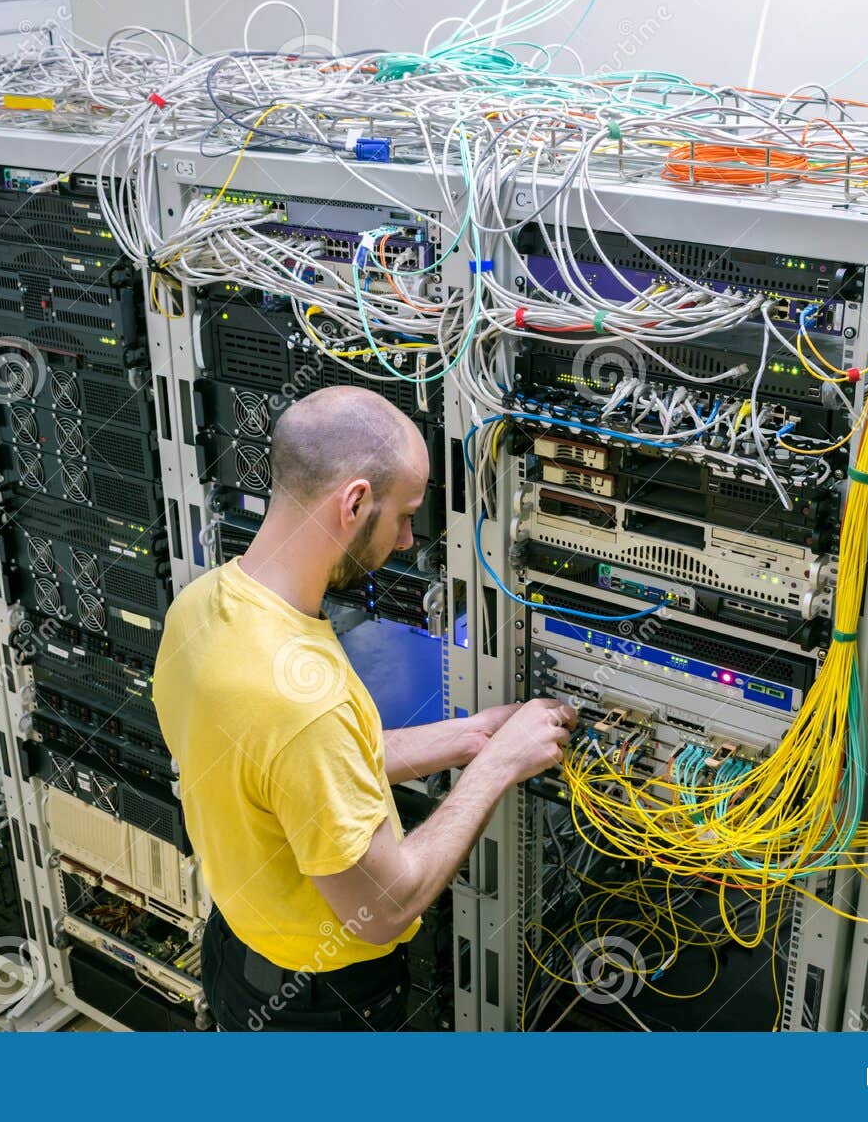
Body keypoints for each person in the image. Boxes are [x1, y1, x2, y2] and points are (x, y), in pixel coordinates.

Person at [153, 386, 576, 1031]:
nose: (407, 541)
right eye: (404, 516)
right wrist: (498, 770)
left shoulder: (202, 606)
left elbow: (298, 776)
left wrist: (469, 739)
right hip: (319, 1008)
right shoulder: (306, 702)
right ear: (353, 503)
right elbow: (385, 905)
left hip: (236, 951)